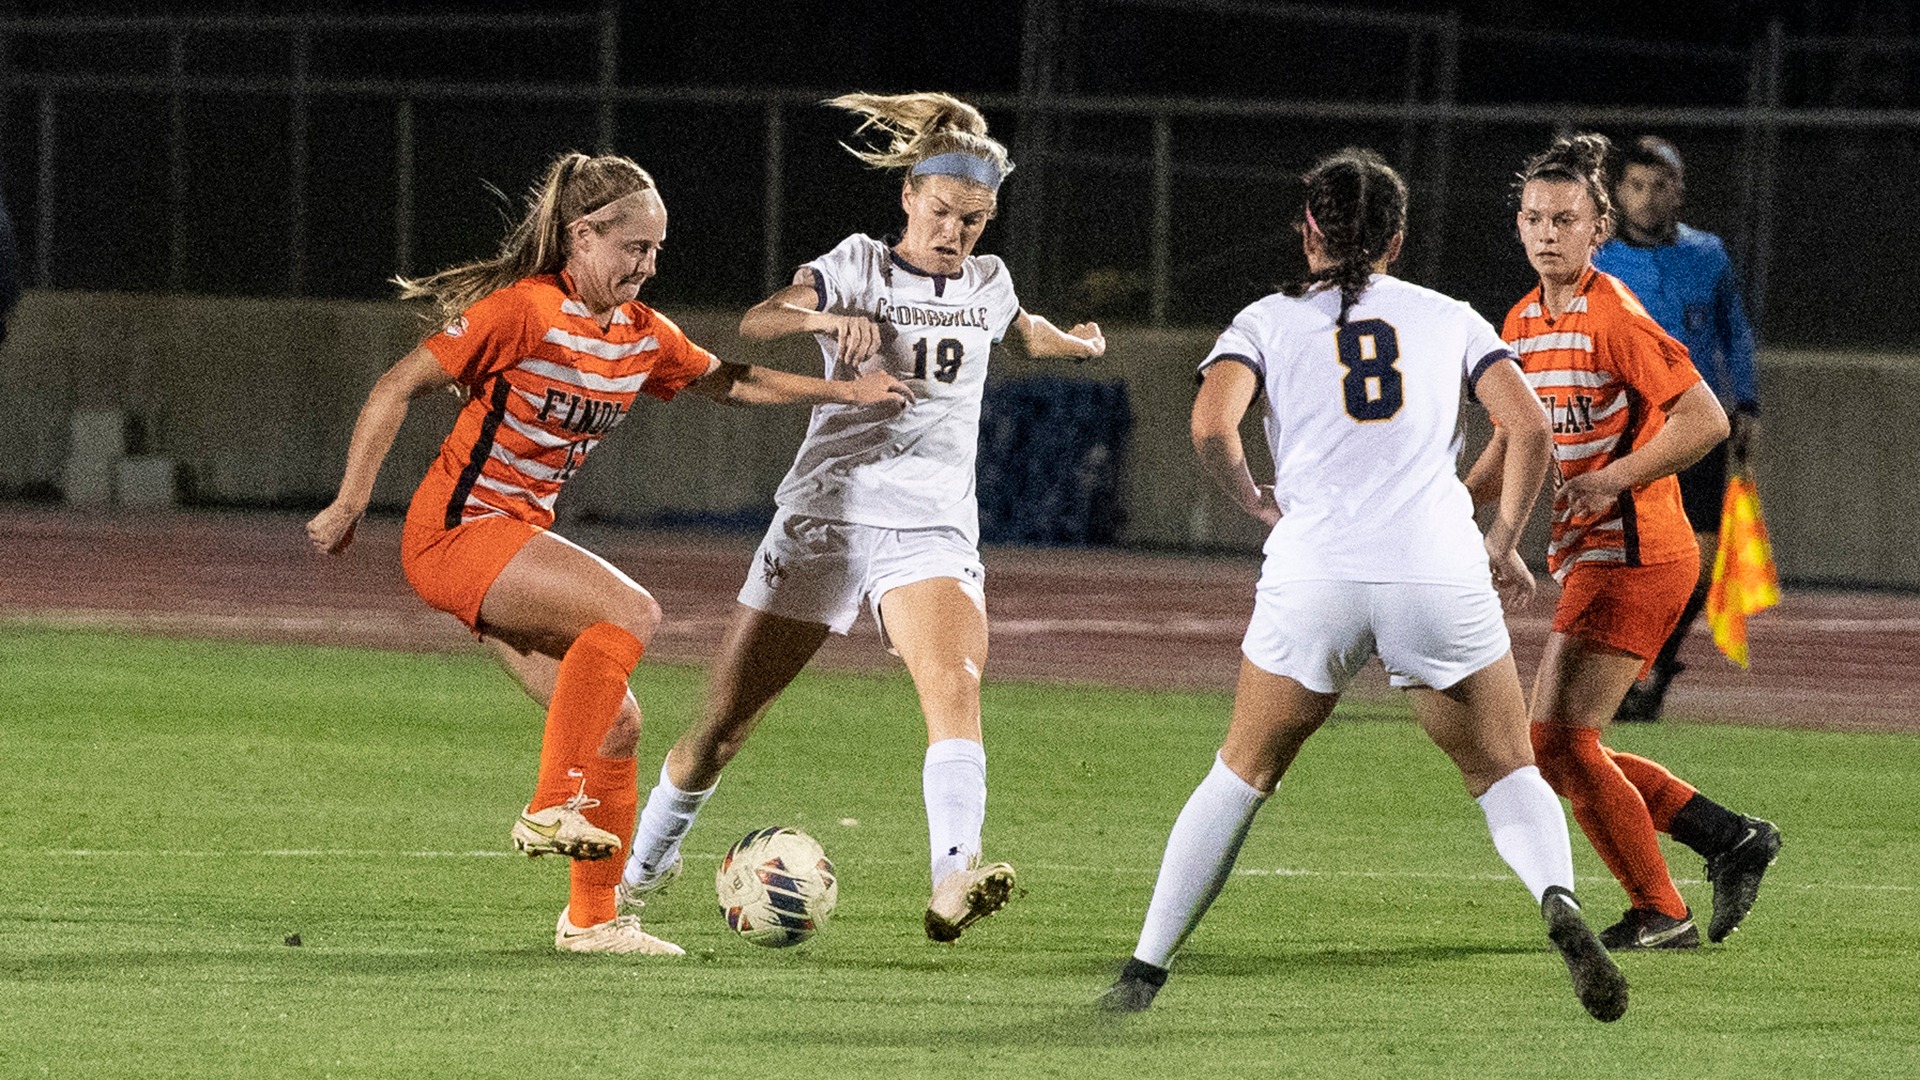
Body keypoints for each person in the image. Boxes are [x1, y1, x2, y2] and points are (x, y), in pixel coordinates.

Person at [304, 152, 913, 956]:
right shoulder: (522, 311)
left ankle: (592, 922)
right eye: (634, 248)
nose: (648, 265)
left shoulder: (640, 334)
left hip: (511, 542)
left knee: (617, 724)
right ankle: (549, 805)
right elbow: (394, 386)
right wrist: (352, 500)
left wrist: (845, 392)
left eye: (656, 250)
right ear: (582, 236)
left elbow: (731, 381)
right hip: (456, 532)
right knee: (631, 611)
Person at [1099, 148, 1627, 1023]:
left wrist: (1255, 502)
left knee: (1241, 772)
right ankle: (1559, 902)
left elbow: (1210, 426)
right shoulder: (1449, 316)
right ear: (1397, 238)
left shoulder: (1266, 320)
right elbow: (1529, 427)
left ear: (1308, 231)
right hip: (1435, 567)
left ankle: (1143, 971)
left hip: (1318, 570)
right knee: (1505, 770)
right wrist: (1501, 539)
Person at [617, 91, 1105, 943]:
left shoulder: (989, 281)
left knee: (954, 685)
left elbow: (1021, 330)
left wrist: (1077, 343)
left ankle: (954, 875)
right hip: (826, 519)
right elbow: (759, 321)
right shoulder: (860, 265)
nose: (955, 233)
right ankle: (640, 870)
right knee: (721, 729)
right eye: (942, 211)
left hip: (930, 528)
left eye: (974, 220)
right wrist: (825, 317)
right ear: (909, 195)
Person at [1467, 133, 1780, 951]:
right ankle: (1725, 839)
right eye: (1534, 218)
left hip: (1641, 551)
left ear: (1597, 229)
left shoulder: (1613, 313)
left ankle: (1662, 908)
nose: (1547, 233)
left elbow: (1704, 419)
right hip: (1598, 554)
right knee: (1558, 746)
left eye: (1565, 220)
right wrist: (1445, 504)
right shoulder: (1522, 321)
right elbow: (1515, 440)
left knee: (1558, 743)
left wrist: (1612, 479)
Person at [1592, 136, 1761, 724]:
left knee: (1703, 558)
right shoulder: (1599, 259)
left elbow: (1734, 331)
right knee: (1626, 559)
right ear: (1618, 192)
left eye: (1659, 186)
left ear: (1679, 191)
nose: (1646, 198)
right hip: (1626, 428)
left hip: (1696, 423)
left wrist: (1748, 404)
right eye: (1635, 185)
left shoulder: (1708, 254)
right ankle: (1621, 672)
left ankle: (1656, 663)